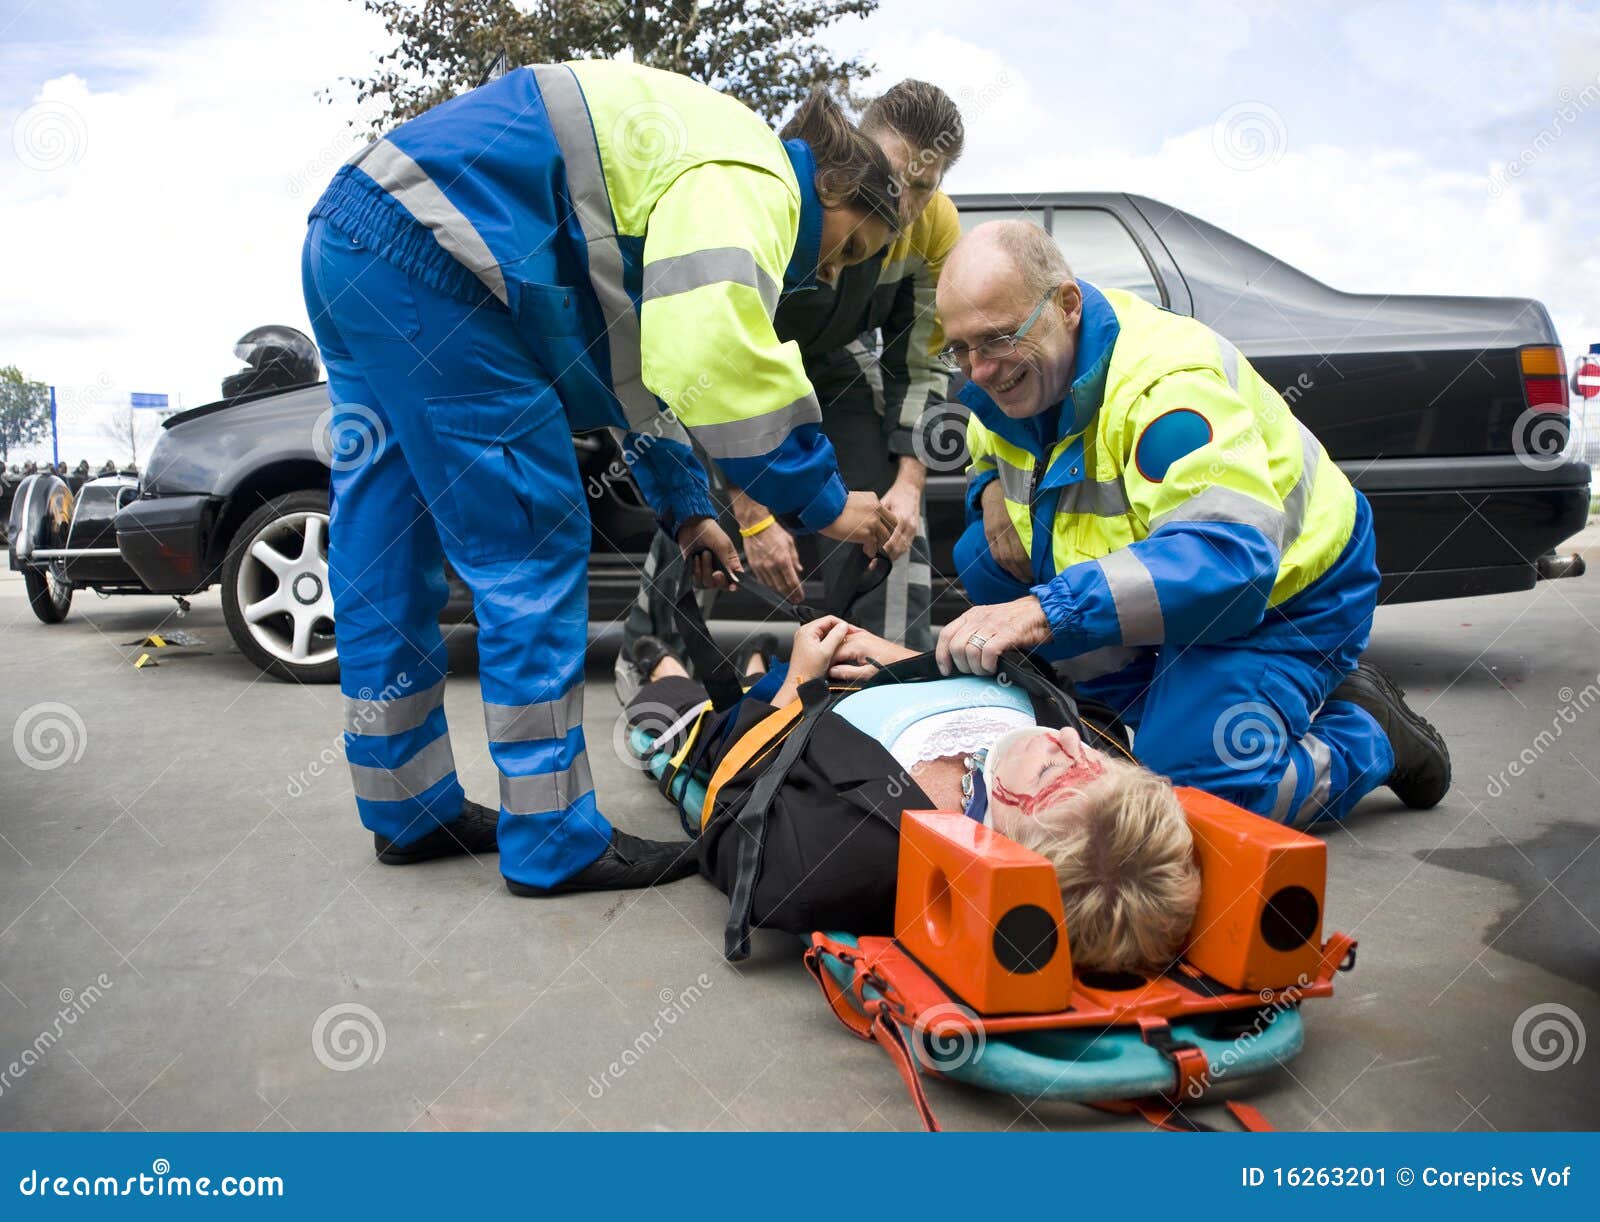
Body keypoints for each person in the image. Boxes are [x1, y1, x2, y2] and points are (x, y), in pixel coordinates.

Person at [302, 60, 902, 897]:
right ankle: (553, 842)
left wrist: (688, 509)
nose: (831, 273)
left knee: (388, 546)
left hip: (355, 239)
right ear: (831, 186)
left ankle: (406, 805)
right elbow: (717, 354)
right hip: (448, 263)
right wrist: (829, 504)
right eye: (853, 247)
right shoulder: (758, 176)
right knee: (530, 545)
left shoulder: (694, 163)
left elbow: (641, 371)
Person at [930, 220, 1451, 828]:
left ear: (1067, 305)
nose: (978, 372)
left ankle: (1366, 731)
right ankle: (1161, 716)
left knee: (1194, 802)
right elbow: (986, 439)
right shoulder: (1026, 367)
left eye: (996, 340)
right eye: (959, 348)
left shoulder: (1166, 389)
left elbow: (1227, 555)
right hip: (1175, 583)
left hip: (1284, 590)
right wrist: (988, 489)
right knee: (985, 559)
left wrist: (1047, 610)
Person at [618, 79, 965, 686]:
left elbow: (919, 362)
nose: (903, 202)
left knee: (887, 509)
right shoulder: (788, 191)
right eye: (891, 176)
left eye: (923, 186)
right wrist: (754, 514)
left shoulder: (936, 229)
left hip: (832, 363)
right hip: (732, 359)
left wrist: (910, 483)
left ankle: (885, 673)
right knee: (707, 492)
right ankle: (653, 654)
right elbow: (716, 356)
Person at [626, 616, 1199, 974]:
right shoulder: (1101, 787)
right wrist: (899, 657)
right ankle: (756, 662)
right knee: (772, 662)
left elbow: (730, 819)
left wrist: (797, 684)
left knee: (672, 709)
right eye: (1099, 760)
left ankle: (659, 662)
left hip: (772, 718)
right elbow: (1064, 697)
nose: (1073, 740)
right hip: (873, 665)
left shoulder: (848, 856)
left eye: (1055, 768)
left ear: (1011, 851)